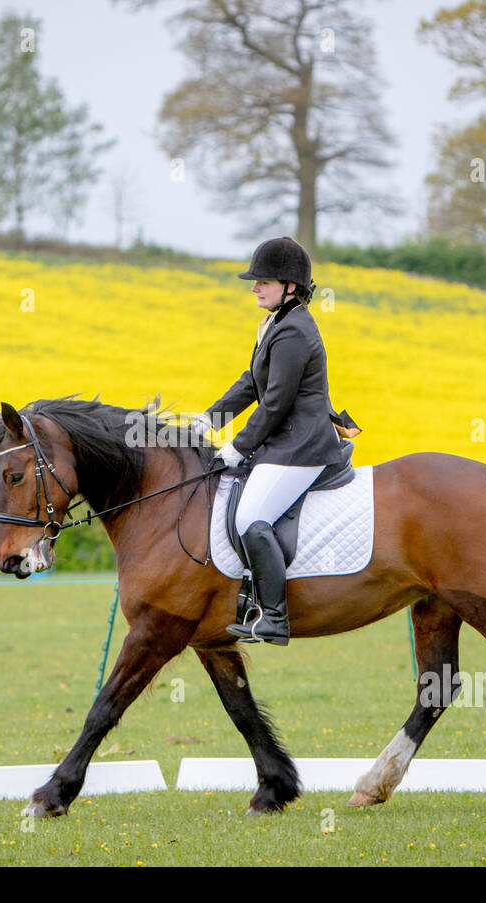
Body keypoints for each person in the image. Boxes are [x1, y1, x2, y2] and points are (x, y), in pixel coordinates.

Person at [190, 236, 358, 645]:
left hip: (301, 448)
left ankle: (275, 617)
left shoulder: (295, 332)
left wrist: (236, 447)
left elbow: (277, 403)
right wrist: (209, 420)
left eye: (263, 280)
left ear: (290, 286)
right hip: (282, 445)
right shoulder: (275, 324)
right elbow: (252, 383)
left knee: (250, 518)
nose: (254, 287)